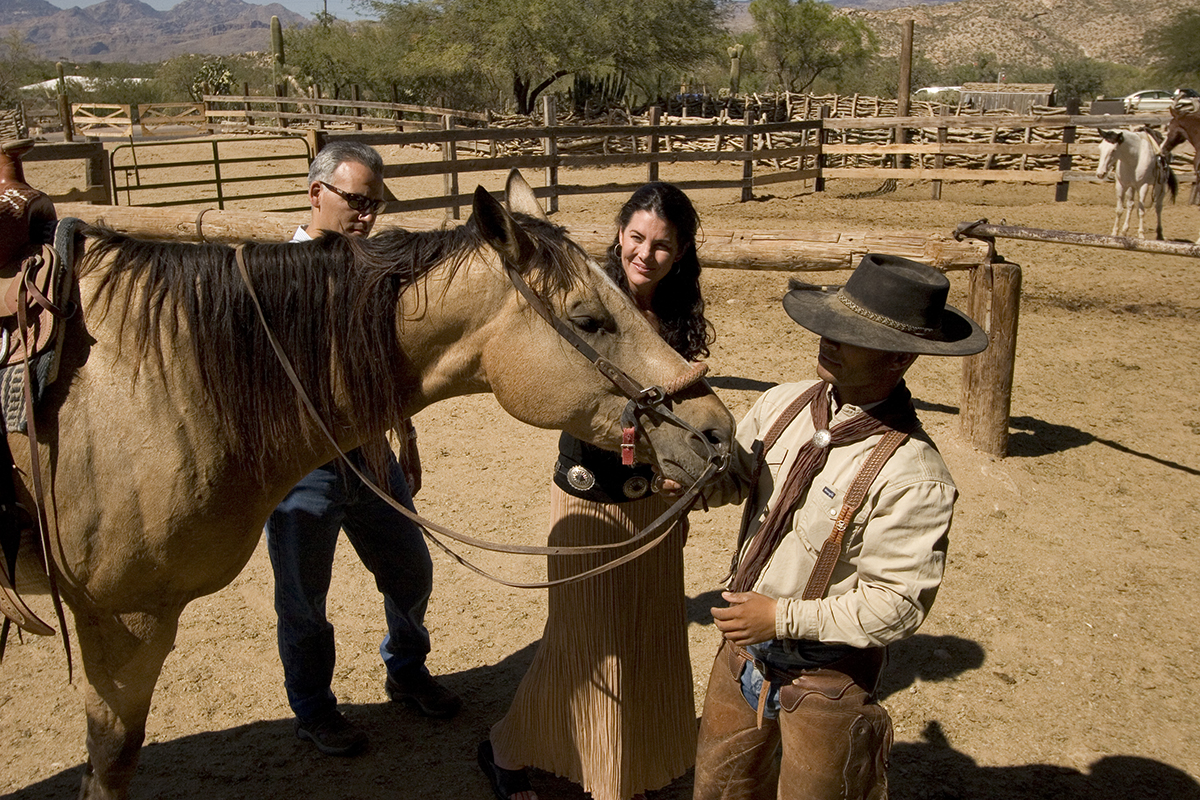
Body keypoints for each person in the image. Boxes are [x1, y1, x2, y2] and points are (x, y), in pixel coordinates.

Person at [690, 253, 988, 800]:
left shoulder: (913, 475)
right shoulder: (783, 404)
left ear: (899, 356)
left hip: (825, 680)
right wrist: (694, 485)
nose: (828, 338)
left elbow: (896, 604)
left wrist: (780, 616)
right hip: (742, 657)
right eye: (833, 324)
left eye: (850, 334)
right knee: (718, 788)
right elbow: (738, 480)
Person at [478, 183, 714, 800]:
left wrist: (681, 481)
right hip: (590, 499)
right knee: (584, 646)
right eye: (636, 237)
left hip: (657, 504)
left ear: (682, 251)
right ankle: (508, 747)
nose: (645, 254)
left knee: (650, 634)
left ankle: (630, 761)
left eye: (663, 245)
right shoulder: (586, 304)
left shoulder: (679, 320)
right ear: (618, 235)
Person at [266, 140, 460, 757]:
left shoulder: (370, 268)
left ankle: (405, 670)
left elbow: (386, 365)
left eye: (374, 204)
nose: (367, 215)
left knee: (410, 570)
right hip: (303, 467)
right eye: (357, 201)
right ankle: (315, 709)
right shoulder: (271, 275)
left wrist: (405, 436)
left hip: (371, 458)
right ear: (315, 191)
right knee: (304, 599)